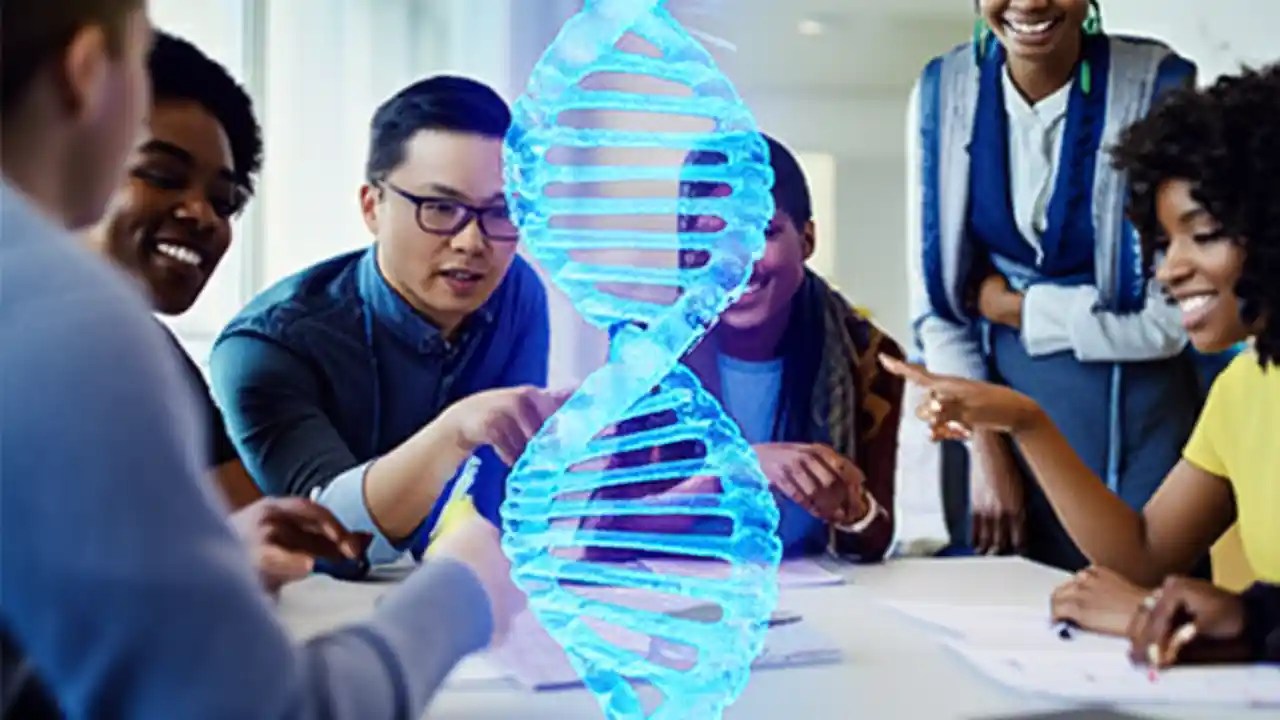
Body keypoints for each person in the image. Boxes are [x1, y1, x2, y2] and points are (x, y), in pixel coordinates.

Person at [0, 3, 528, 718]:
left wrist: (214, 559)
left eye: (225, 199)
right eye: (159, 169)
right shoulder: (75, 320)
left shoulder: (103, 329)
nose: (473, 242)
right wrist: (462, 593)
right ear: (89, 72)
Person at [885, 65, 1280, 641]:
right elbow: (1144, 556)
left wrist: (1236, 623)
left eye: (1205, 234)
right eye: (1164, 242)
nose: (1170, 270)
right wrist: (1024, 420)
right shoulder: (1244, 385)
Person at [906, 0, 1209, 571]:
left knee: (1139, 614)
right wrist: (985, 451)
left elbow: (1170, 320)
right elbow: (941, 308)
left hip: (1138, 431)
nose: (1029, 3)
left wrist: (1015, 308)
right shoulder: (940, 94)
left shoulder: (1159, 88)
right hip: (995, 431)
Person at [209, 75, 554, 570]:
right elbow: (334, 544)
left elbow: (507, 500)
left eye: (501, 211)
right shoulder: (266, 346)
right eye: (441, 207)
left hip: (459, 600)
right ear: (373, 207)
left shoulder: (516, 292)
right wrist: (454, 432)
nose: (473, 242)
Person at [589, 134, 905, 561]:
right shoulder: (648, 355)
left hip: (813, 601)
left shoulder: (868, 359)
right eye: (708, 239)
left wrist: (852, 508)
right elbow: (605, 528)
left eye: (760, 233)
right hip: (672, 604)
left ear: (807, 240)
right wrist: (735, 471)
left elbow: (873, 536)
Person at [86, 30, 263, 510]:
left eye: (224, 202)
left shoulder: (150, 352)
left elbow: (248, 519)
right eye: (163, 176)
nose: (203, 215)